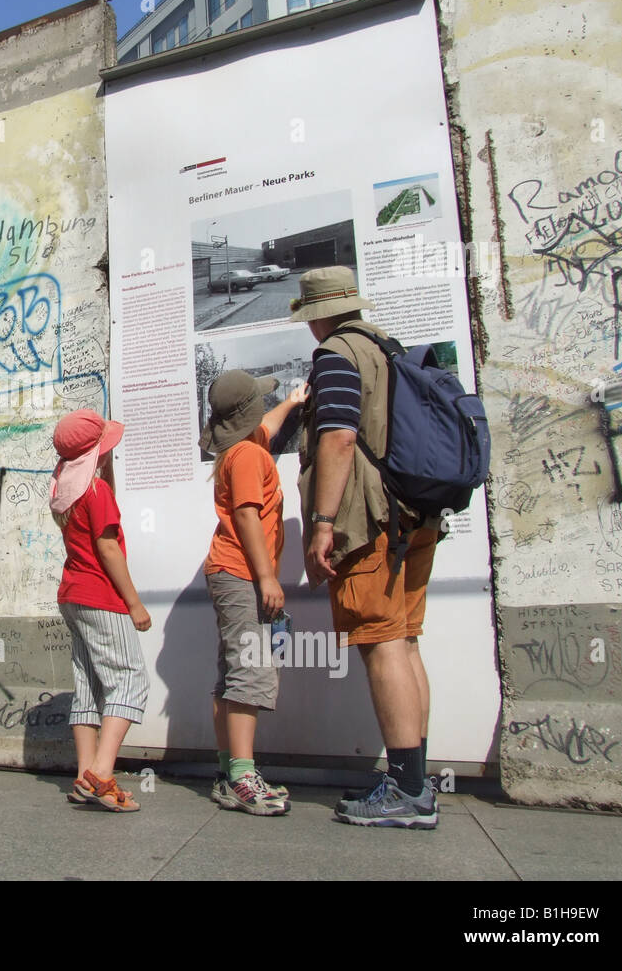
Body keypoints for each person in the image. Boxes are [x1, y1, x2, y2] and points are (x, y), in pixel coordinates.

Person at [290, 266, 440, 829]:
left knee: (380, 643)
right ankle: (417, 782)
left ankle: (407, 793)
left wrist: (323, 521)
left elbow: (339, 436)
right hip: (414, 515)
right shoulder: (387, 347)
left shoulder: (335, 354)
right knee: (405, 641)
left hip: (371, 519)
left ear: (317, 314)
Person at [201, 370, 307, 815]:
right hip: (243, 573)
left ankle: (230, 774)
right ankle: (243, 778)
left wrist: (294, 402)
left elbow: (268, 426)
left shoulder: (244, 445)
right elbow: (247, 517)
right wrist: (267, 578)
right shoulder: (247, 456)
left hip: (230, 572)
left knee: (234, 673)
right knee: (250, 669)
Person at [50, 408, 151, 813]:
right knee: (129, 679)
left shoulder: (66, 491)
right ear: (98, 453)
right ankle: (103, 776)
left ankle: (83, 776)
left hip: (72, 593)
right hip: (101, 597)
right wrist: (134, 603)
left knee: (89, 685)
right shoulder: (98, 492)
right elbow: (108, 548)